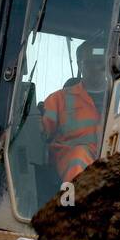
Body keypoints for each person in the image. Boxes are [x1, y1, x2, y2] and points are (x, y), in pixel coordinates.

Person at [40, 48, 109, 183]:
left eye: (99, 62)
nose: (95, 67)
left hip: (111, 157)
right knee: (78, 157)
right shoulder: (59, 99)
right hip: (72, 160)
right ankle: (71, 203)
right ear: (79, 64)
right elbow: (40, 133)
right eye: (89, 63)